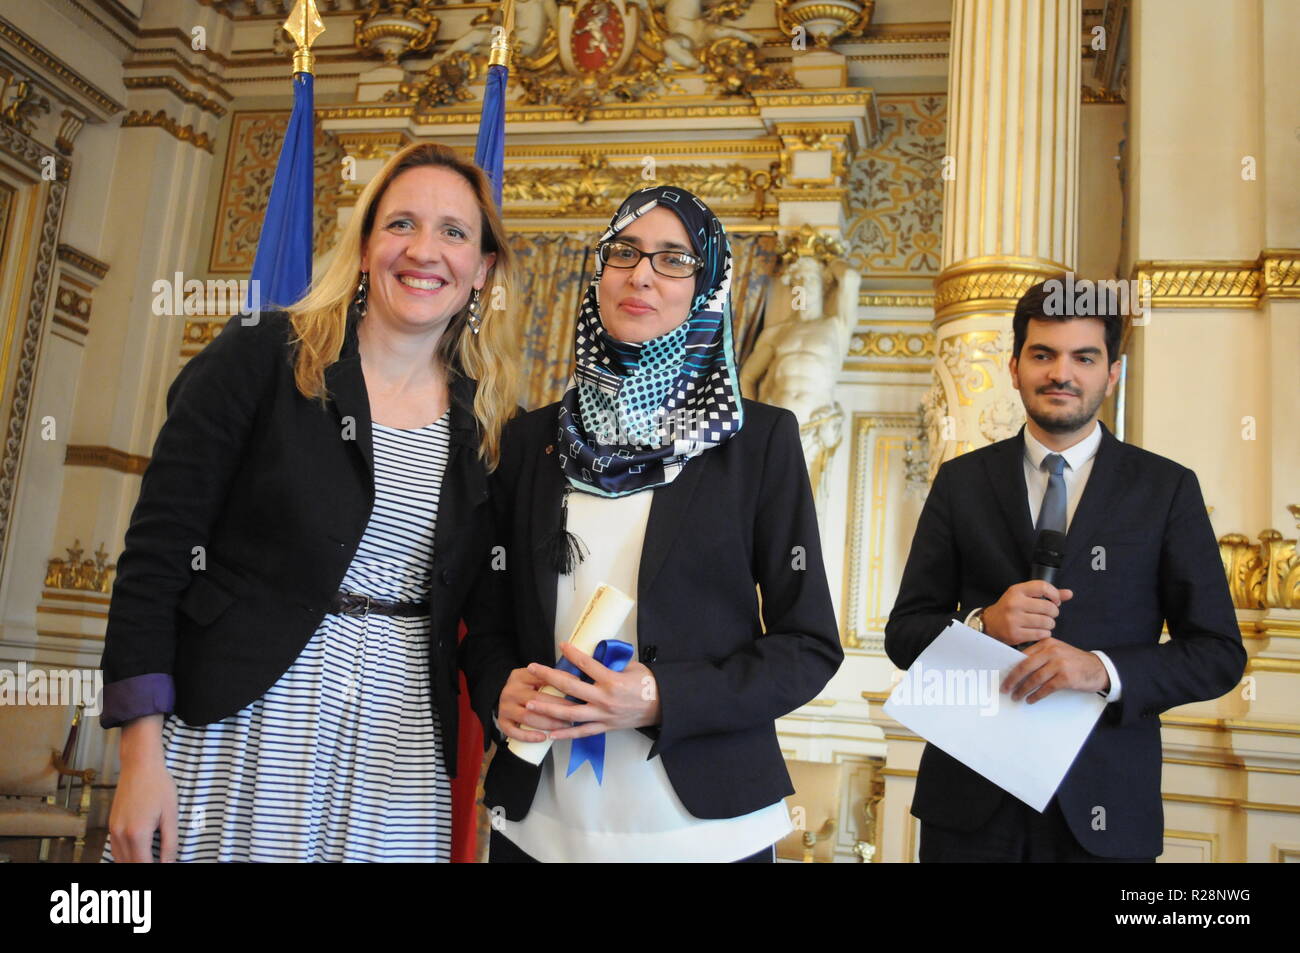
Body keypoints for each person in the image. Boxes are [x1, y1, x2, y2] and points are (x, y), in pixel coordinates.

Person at [99, 142, 519, 862]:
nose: (425, 250)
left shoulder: (487, 426)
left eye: (454, 232)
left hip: (398, 743)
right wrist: (140, 754)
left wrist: (518, 695)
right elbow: (157, 556)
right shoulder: (263, 355)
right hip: (243, 722)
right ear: (363, 248)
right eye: (401, 225)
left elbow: (483, 619)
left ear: (482, 270)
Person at [461, 186, 842, 862]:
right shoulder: (526, 442)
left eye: (673, 259)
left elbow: (808, 646)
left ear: (708, 285)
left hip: (703, 827)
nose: (640, 273)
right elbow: (486, 626)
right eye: (624, 253)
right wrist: (499, 692)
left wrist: (662, 696)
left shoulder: (759, 444)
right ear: (599, 275)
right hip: (537, 823)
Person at [885, 278, 1246, 862]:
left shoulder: (1166, 489)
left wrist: (1100, 670)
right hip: (969, 811)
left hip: (1103, 811)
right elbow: (904, 636)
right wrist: (982, 625)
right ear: (1013, 367)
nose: (1062, 373)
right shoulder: (961, 482)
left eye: (1084, 357)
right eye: (1043, 354)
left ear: (1113, 373)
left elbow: (1218, 654)